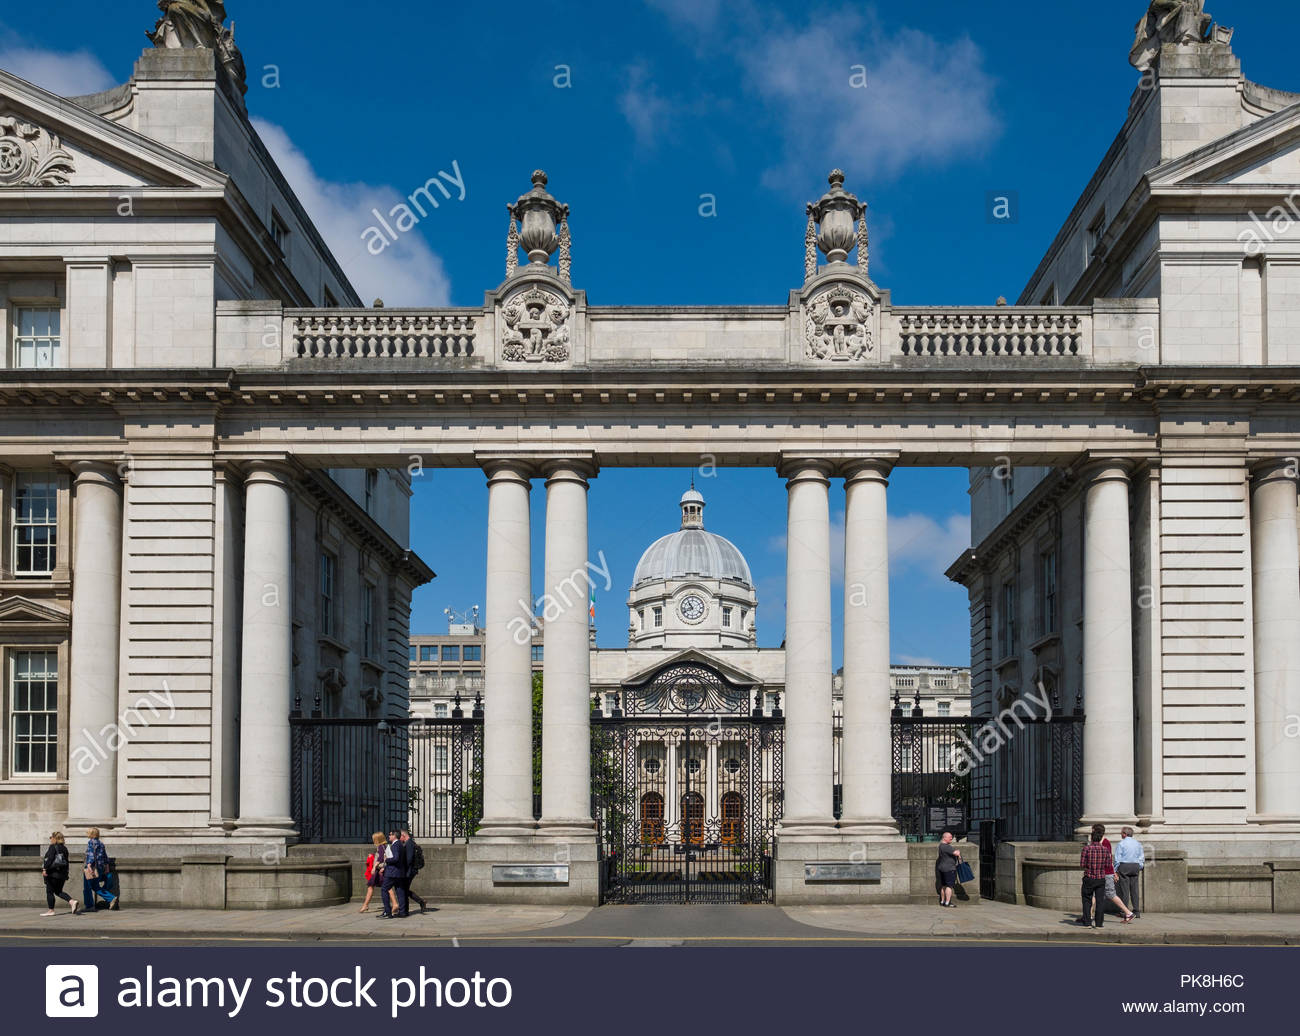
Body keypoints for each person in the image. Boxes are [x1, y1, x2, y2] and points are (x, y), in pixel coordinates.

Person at [1079, 824, 1111, 929]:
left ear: (1092, 838)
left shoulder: (1086, 849)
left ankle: (1087, 922)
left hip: (1089, 877)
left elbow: (1082, 864)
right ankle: (1099, 923)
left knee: (1087, 900)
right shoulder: (1105, 850)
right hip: (1101, 878)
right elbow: (1107, 865)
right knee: (1100, 901)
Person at [41, 832, 77, 916]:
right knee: (58, 891)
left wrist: (44, 869)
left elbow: (49, 859)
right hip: (62, 874)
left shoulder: (53, 847)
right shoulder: (64, 848)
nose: (50, 839)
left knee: (49, 891)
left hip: (52, 873)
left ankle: (51, 910)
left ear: (54, 838)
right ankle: (72, 902)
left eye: (51, 837)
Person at [82, 828, 117, 912]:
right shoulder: (101, 843)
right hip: (100, 868)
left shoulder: (91, 842)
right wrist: (107, 867)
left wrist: (89, 865)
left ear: (91, 834)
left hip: (93, 868)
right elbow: (105, 856)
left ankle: (89, 906)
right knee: (96, 887)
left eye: (88, 832)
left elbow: (91, 854)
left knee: (87, 887)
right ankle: (111, 898)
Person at [1114, 826, 1145, 918]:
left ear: (1125, 834)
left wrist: (1115, 870)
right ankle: (1136, 911)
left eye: (1121, 833)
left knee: (1125, 890)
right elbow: (1141, 857)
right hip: (1135, 866)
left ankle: (1124, 911)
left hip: (1124, 866)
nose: (1121, 834)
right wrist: (1140, 866)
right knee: (1135, 889)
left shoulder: (1121, 843)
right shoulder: (1138, 843)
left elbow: (1117, 859)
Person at [379, 830, 408, 919]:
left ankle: (388, 912)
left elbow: (395, 858)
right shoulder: (400, 844)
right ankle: (403, 912)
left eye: (390, 834)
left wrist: (386, 859)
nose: (389, 836)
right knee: (400, 891)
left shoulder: (395, 845)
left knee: (384, 889)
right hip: (399, 872)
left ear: (394, 836)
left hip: (392, 872)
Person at [399, 829, 428, 914]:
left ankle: (418, 903)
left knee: (404, 889)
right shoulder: (409, 843)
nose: (399, 838)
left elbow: (409, 859)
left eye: (400, 836)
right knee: (405, 889)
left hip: (410, 871)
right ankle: (417, 904)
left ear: (403, 835)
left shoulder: (409, 844)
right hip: (410, 870)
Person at [359, 831, 386, 913]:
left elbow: (381, 858)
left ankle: (395, 904)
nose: (373, 840)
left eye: (374, 839)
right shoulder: (384, 846)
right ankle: (365, 905)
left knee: (385, 888)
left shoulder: (381, 846)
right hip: (379, 870)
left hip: (378, 871)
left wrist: (374, 867)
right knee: (371, 887)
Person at [935, 831, 961, 908]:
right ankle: (947, 902)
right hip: (949, 869)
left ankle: (942, 901)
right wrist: (958, 852)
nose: (951, 838)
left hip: (941, 868)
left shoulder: (940, 846)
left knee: (943, 886)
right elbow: (956, 853)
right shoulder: (947, 846)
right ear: (944, 837)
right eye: (950, 837)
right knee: (949, 886)